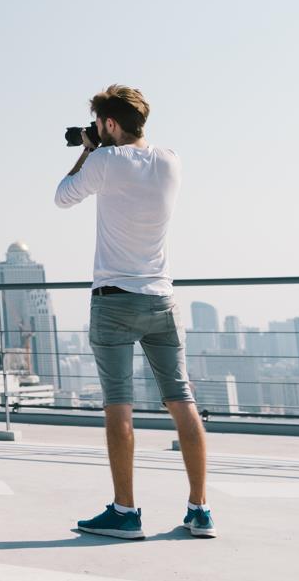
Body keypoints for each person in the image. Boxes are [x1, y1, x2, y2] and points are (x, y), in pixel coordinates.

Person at [54, 84, 215, 540]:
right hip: (162, 299)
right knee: (181, 400)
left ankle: (125, 512)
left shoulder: (104, 161)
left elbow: (63, 196)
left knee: (118, 404)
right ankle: (200, 510)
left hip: (114, 300)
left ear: (108, 124)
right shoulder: (171, 160)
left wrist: (87, 153)